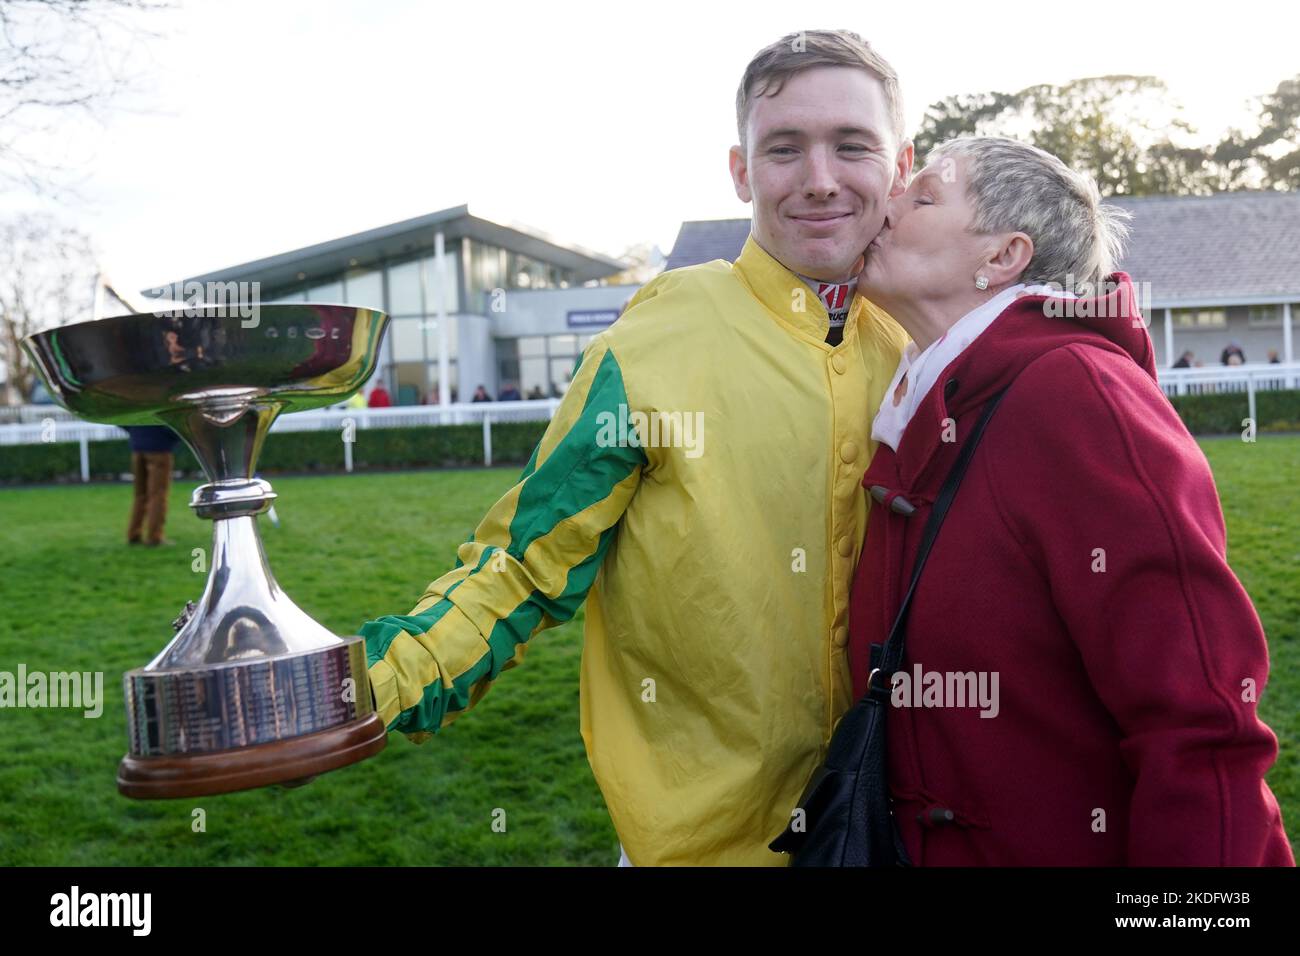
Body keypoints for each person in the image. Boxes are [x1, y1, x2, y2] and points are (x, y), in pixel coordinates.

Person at [356, 29, 912, 866]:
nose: (820, 179)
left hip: (899, 834)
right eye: (785, 148)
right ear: (740, 170)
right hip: (700, 847)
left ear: (901, 164)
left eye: (852, 146)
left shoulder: (927, 342)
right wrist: (359, 692)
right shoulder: (655, 337)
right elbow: (525, 565)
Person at [848, 135, 1292, 865]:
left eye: (921, 196)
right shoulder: (920, 405)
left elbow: (1200, 723)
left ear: (1002, 257)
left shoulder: (1076, 392)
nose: (885, 205)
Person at [124, 424, 181, 547]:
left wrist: (134, 430)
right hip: (159, 447)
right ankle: (155, 536)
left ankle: (134, 534)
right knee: (158, 494)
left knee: (140, 495)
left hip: (137, 445)